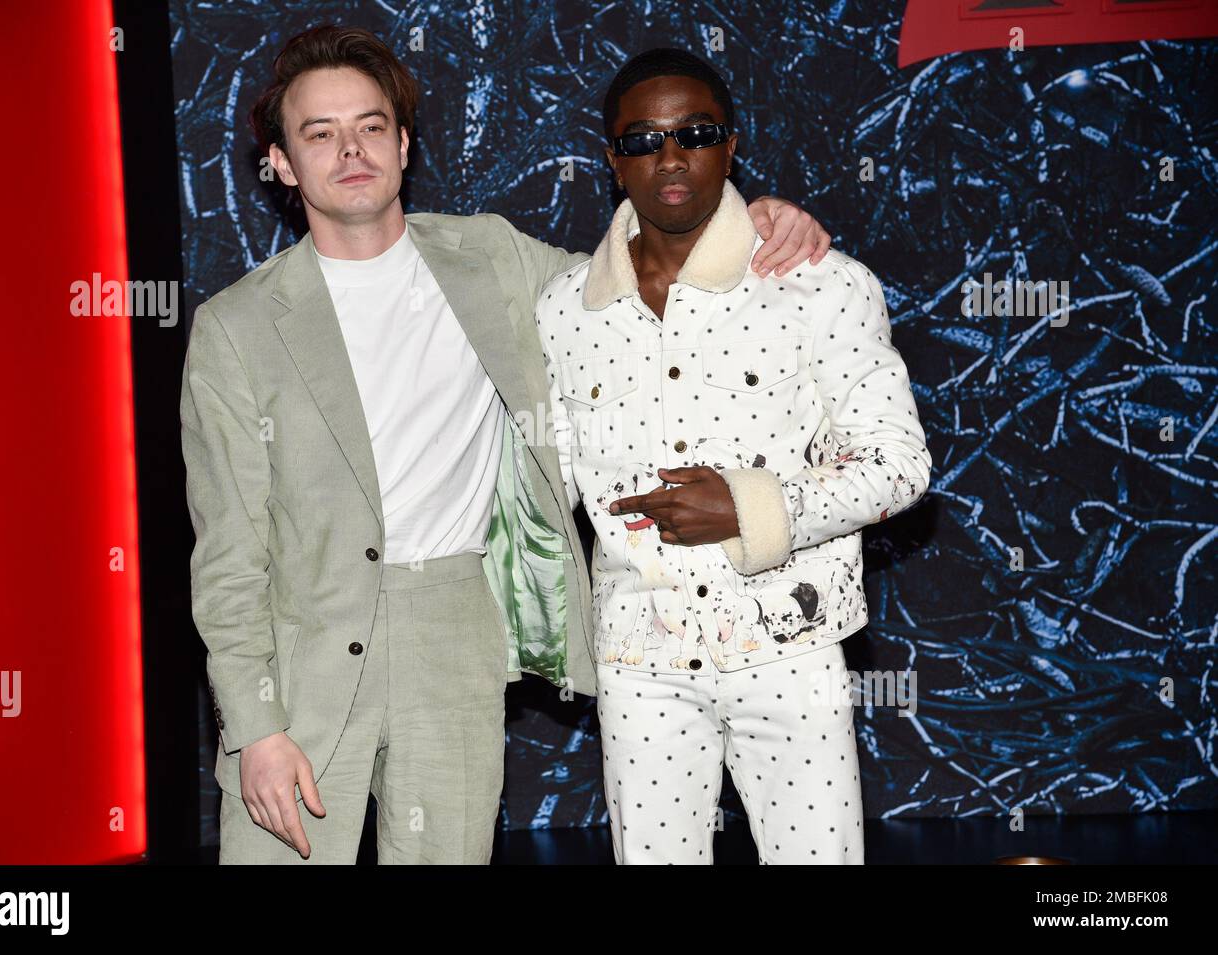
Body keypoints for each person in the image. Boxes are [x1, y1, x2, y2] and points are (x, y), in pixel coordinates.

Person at [180, 25, 831, 864]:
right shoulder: (234, 327)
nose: (351, 149)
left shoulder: (489, 257)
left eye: (372, 126)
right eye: (319, 133)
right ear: (280, 162)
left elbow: (635, 276)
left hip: (454, 632)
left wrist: (749, 217)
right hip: (300, 653)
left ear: (405, 145)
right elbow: (229, 555)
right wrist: (255, 727)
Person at [535, 48, 932, 864]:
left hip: (790, 650)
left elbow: (901, 466)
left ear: (731, 145)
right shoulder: (564, 312)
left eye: (695, 133)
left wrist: (753, 508)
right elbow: (549, 486)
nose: (670, 156)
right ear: (612, 160)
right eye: (642, 139)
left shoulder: (822, 285)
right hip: (639, 663)